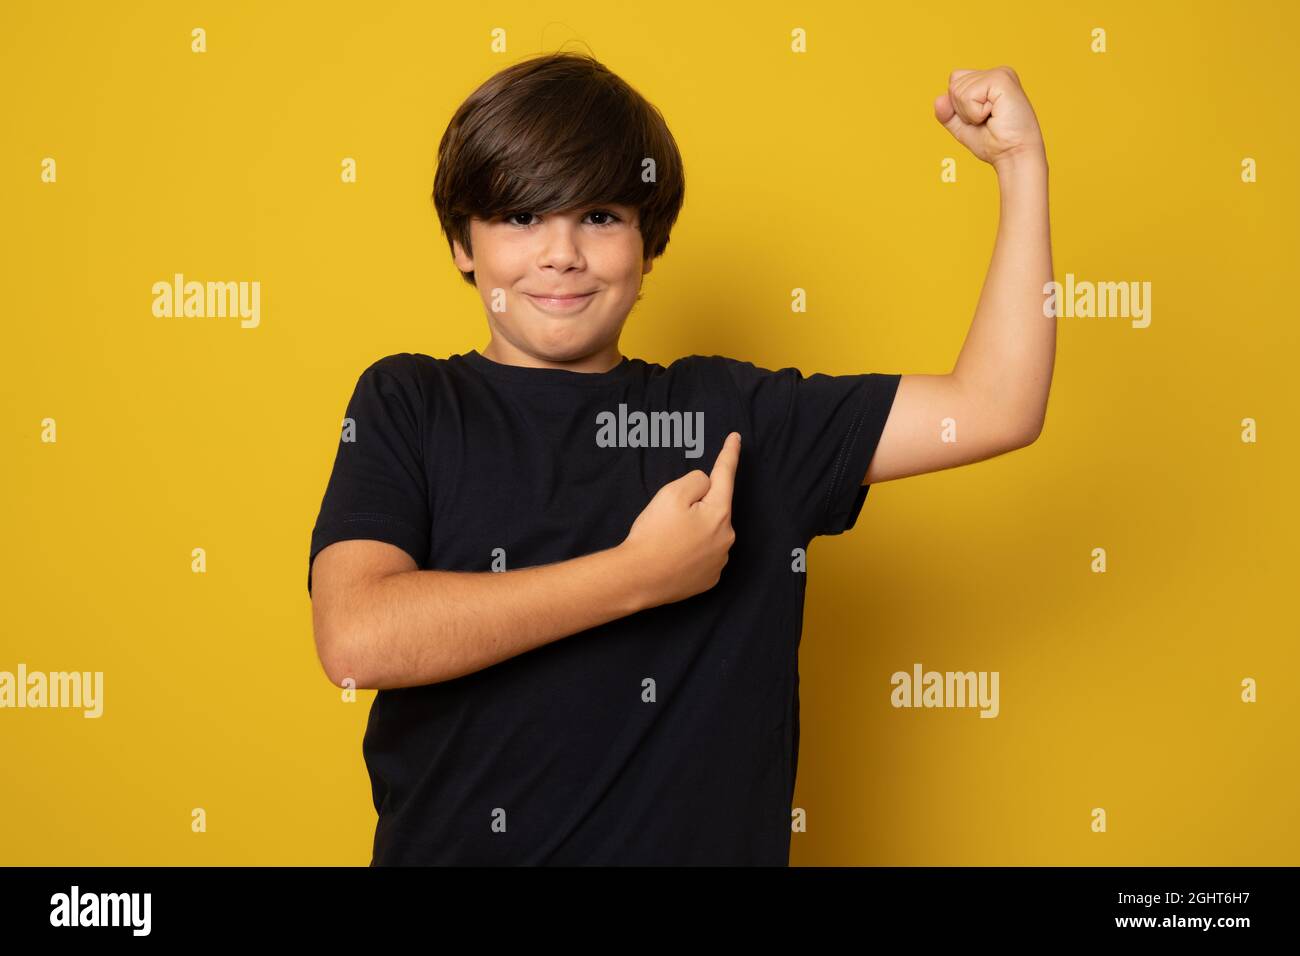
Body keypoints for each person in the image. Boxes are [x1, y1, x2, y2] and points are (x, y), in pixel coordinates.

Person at [307, 53, 1054, 865]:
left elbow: (995, 406)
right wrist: (638, 575)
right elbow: (356, 638)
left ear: (649, 244)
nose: (561, 253)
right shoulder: (410, 403)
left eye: (598, 216)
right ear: (462, 243)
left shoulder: (739, 418)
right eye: (521, 217)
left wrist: (1020, 166)